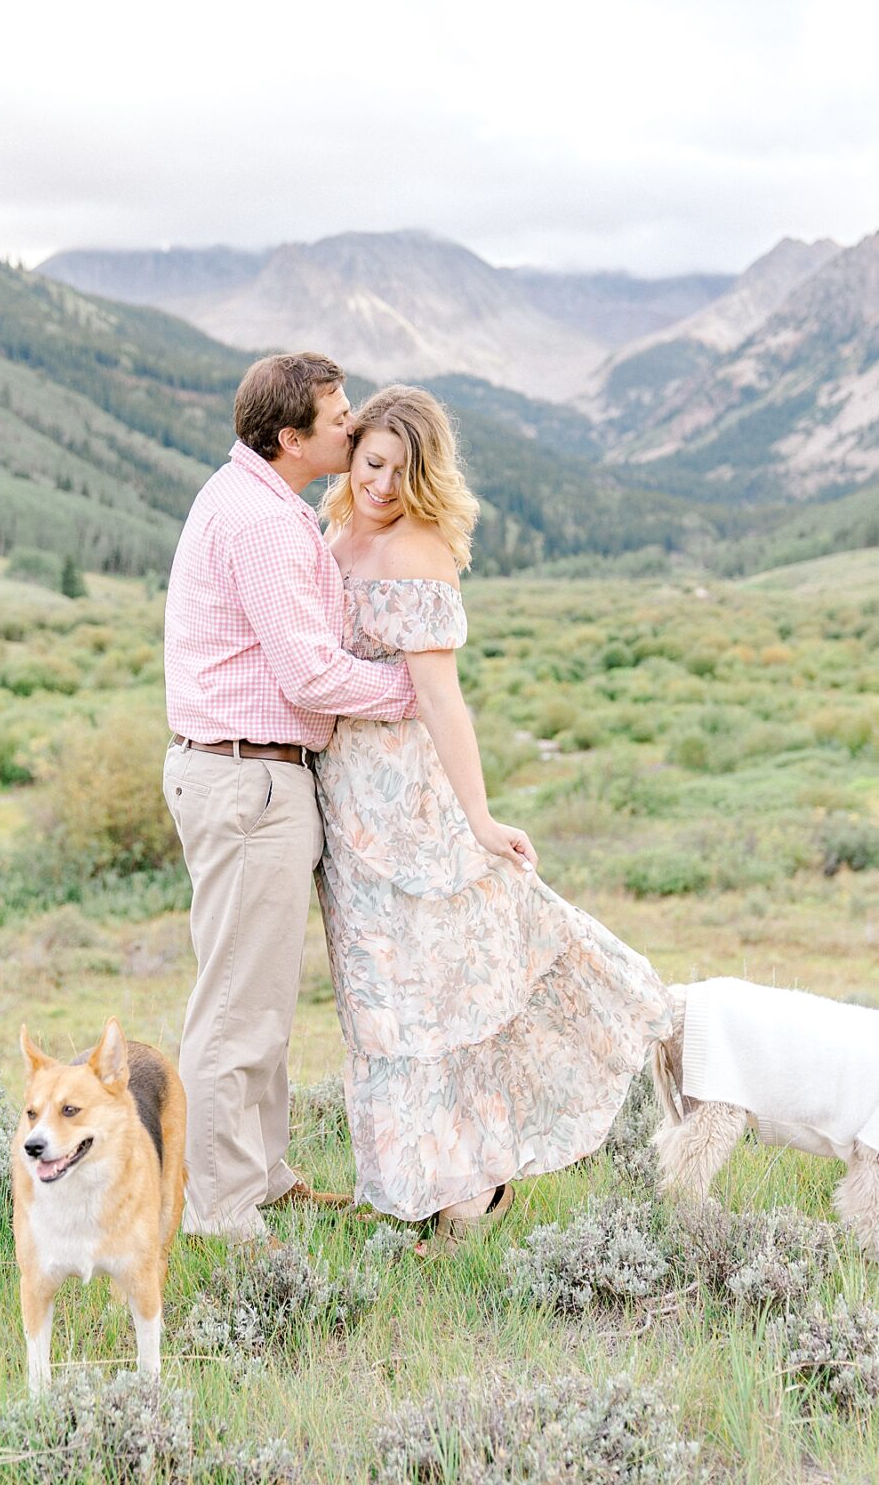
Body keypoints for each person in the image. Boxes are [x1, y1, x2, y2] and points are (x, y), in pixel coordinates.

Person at [315, 385, 674, 1254]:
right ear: (350, 452)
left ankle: (469, 1192)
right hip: (342, 807)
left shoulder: (419, 551)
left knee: (440, 995)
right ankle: (417, 1183)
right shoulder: (332, 533)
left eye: (403, 473)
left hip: (413, 805)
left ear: (426, 475)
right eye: (371, 464)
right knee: (376, 1004)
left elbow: (441, 699)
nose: (382, 486)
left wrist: (477, 816)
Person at [163, 353, 418, 1244]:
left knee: (259, 996)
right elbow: (309, 672)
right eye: (339, 417)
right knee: (236, 1005)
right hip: (247, 778)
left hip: (245, 773)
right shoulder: (267, 526)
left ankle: (262, 1178)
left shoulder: (252, 499)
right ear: (291, 439)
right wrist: (409, 694)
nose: (353, 428)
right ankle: (220, 1211)